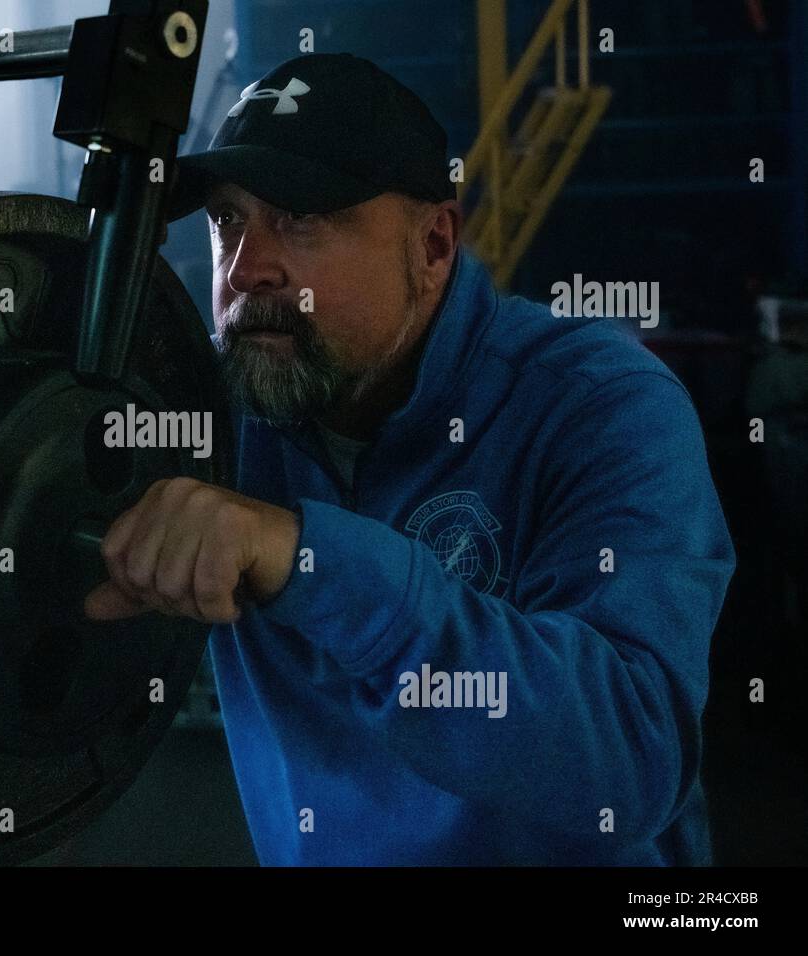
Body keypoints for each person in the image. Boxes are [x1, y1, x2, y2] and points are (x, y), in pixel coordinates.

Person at [83, 52, 736, 865]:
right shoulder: (211, 415)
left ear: (432, 247)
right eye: (226, 221)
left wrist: (309, 561)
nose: (245, 268)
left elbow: (631, 756)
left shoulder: (603, 405)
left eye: (301, 219)